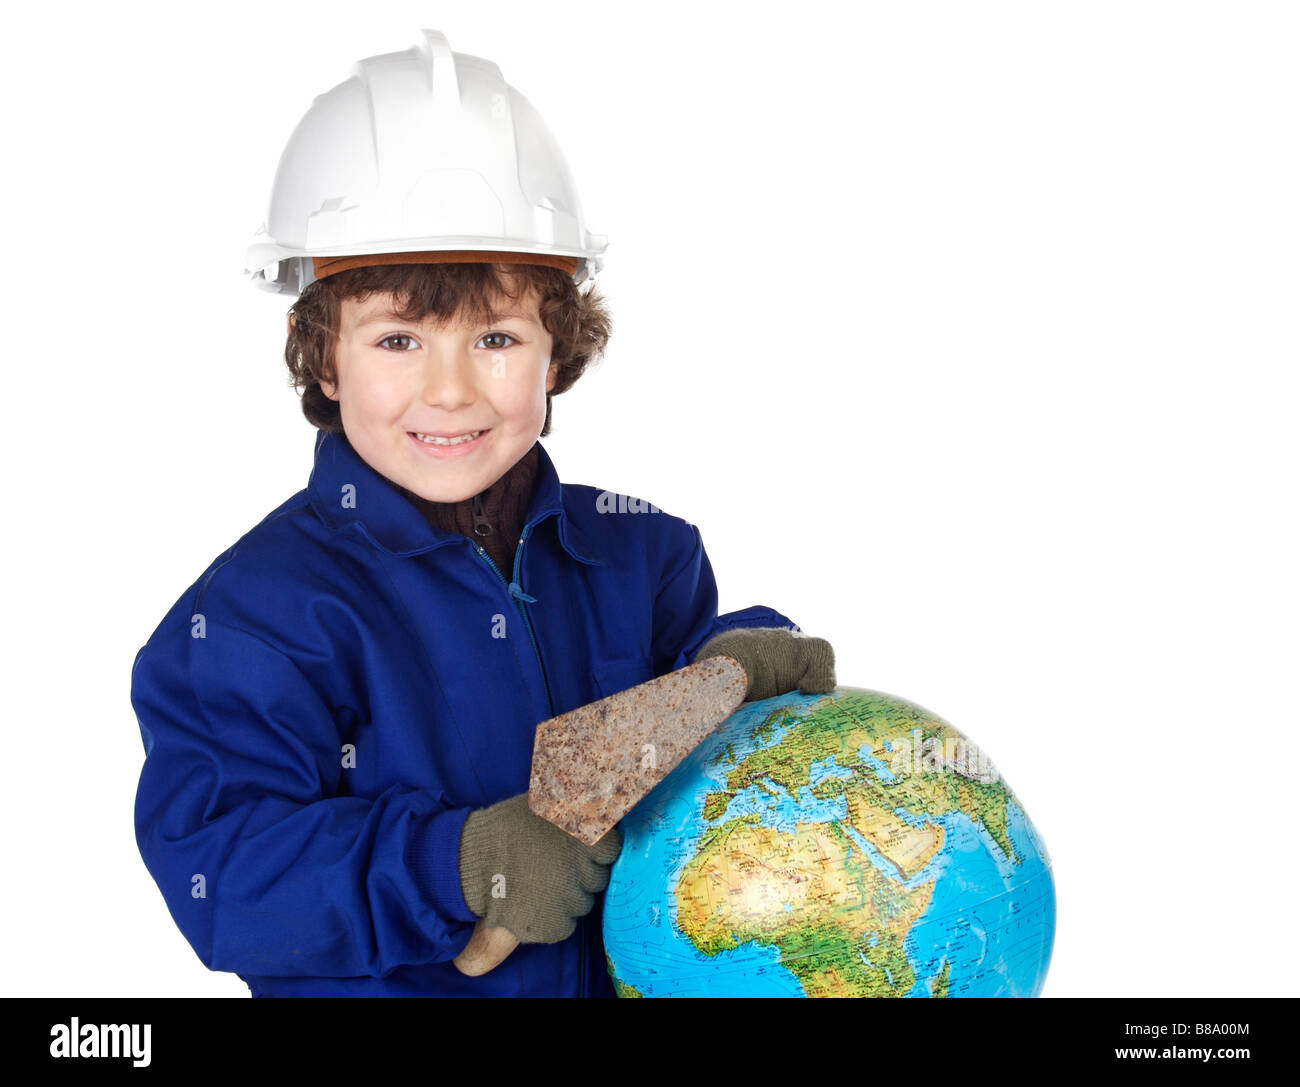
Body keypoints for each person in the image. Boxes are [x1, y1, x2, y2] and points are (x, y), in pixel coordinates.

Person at [130, 29, 836, 998]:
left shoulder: (644, 555)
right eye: (398, 338)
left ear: (561, 351)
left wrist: (737, 664)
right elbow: (228, 871)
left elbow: (696, 766)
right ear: (325, 357)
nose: (452, 390)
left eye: (497, 336)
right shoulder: (253, 617)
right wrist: (461, 864)